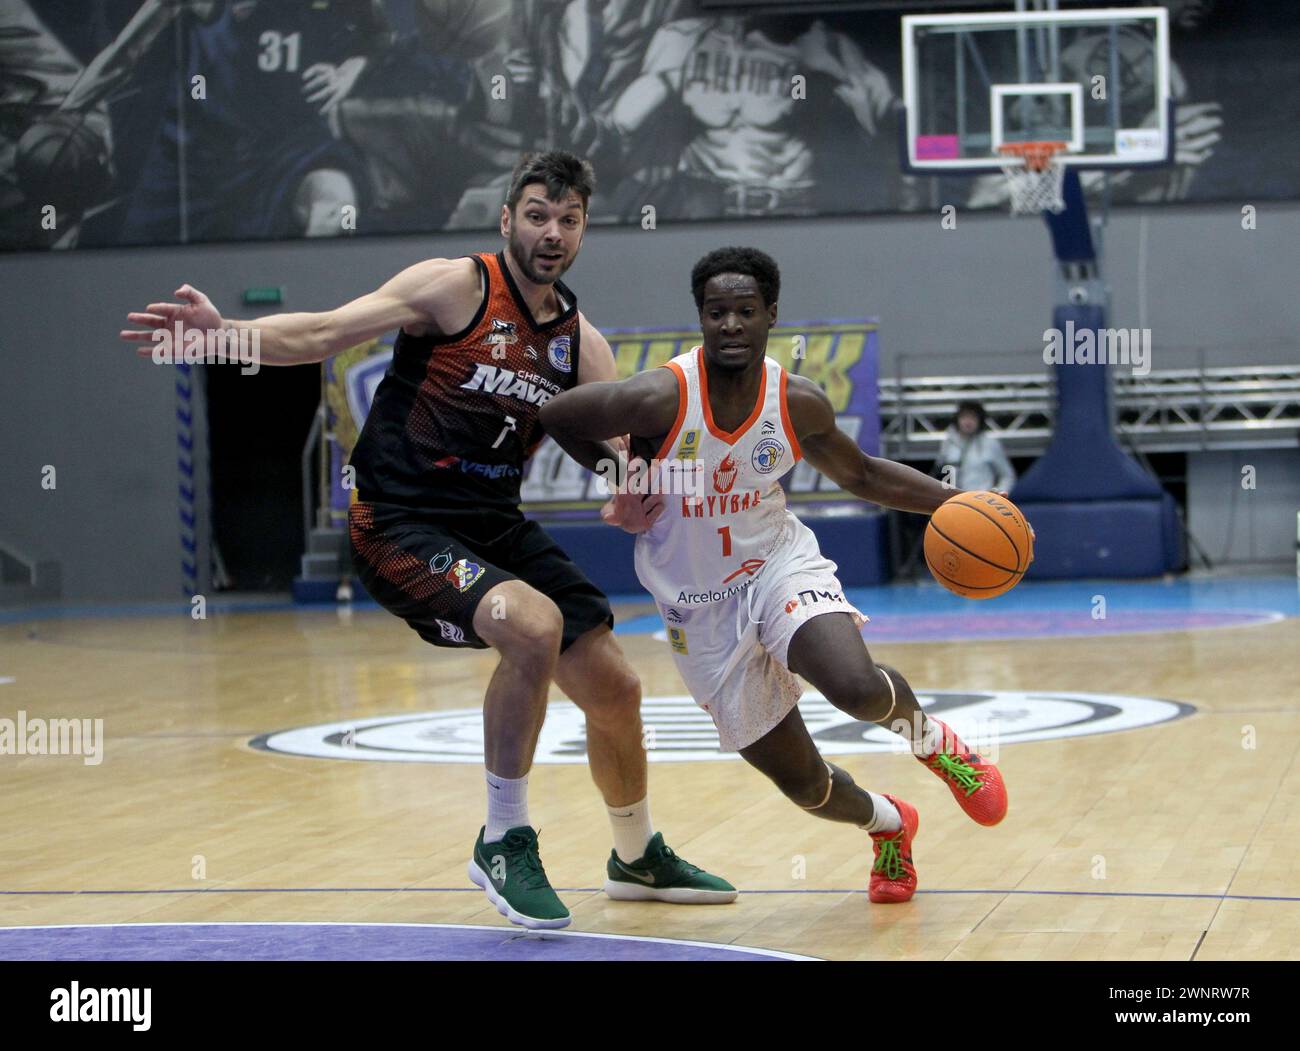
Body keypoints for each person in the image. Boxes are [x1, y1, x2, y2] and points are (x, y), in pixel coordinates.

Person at [120, 150, 735, 930]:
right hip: (398, 518)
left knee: (616, 687)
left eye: (569, 219)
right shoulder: (455, 287)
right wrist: (224, 336)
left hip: (493, 524)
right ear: (507, 217)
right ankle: (503, 837)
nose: (552, 232)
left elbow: (605, 446)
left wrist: (632, 482)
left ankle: (636, 852)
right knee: (533, 626)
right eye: (538, 214)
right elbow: (322, 332)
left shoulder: (581, 344)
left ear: (584, 230)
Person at [539, 246, 1009, 904]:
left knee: (854, 685)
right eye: (717, 312)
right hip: (698, 607)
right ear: (701, 318)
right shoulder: (659, 396)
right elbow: (556, 414)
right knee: (808, 786)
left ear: (771, 316)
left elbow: (864, 474)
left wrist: (960, 504)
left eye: (745, 311)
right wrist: (617, 473)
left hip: (776, 565)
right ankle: (892, 824)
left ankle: (936, 744)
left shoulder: (796, 401)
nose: (731, 323)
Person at [934, 401, 1016, 494]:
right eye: (964, 417)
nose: (968, 422)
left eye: (973, 417)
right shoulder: (948, 443)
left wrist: (998, 495)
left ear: (980, 420)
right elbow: (939, 473)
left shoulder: (990, 443)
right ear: (957, 419)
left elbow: (1007, 476)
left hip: (981, 500)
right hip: (954, 501)